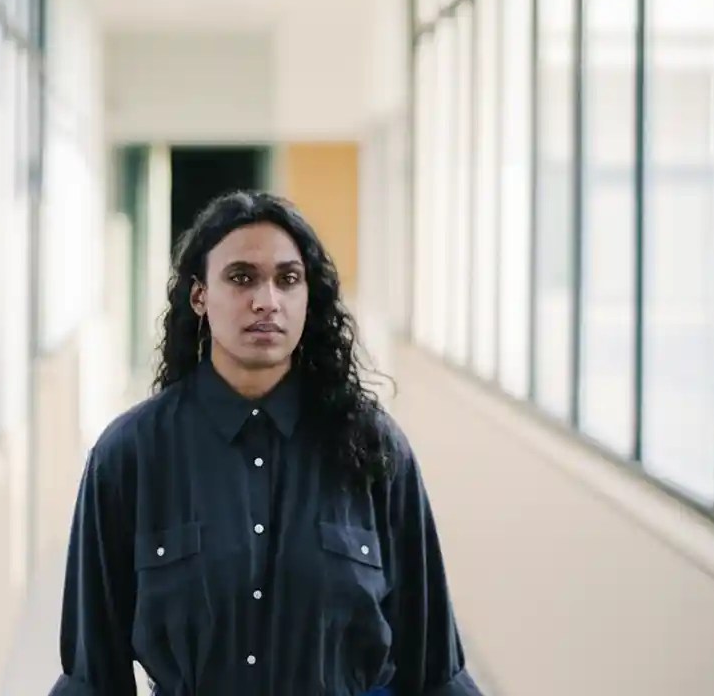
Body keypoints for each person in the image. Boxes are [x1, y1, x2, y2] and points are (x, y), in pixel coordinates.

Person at [49, 191, 482, 695]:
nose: (266, 300)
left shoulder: (373, 449)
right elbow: (91, 676)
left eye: (287, 279)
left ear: (307, 298)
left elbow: (433, 670)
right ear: (199, 296)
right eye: (241, 278)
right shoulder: (129, 456)